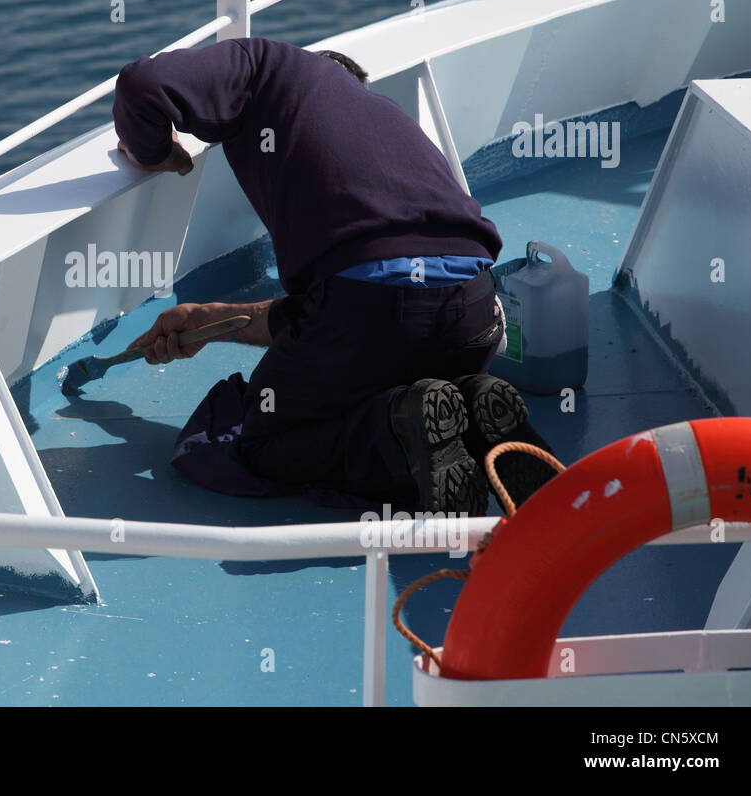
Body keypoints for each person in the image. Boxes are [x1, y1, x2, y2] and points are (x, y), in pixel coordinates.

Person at [111, 37, 556, 514]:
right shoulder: (389, 124)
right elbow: (338, 304)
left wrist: (156, 152)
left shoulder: (267, 68)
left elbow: (144, 84)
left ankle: (397, 430)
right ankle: (474, 403)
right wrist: (212, 319)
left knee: (264, 444)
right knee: (412, 388)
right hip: (473, 313)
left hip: (370, 310)